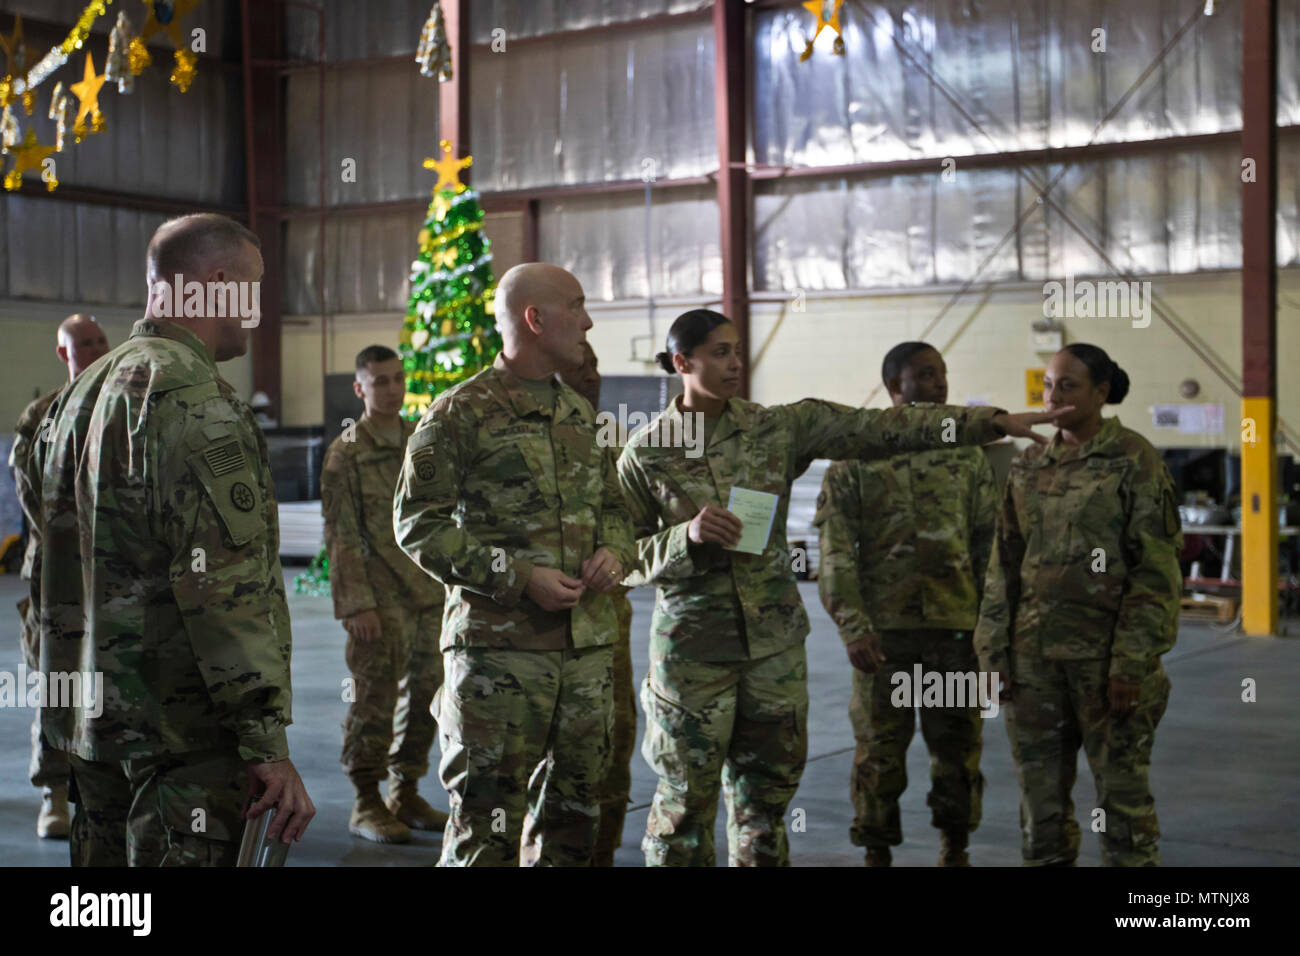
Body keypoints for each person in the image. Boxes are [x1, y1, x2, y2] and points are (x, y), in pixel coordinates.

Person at [617, 309, 1069, 867]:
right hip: (692, 655)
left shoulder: (776, 427)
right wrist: (684, 537)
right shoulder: (644, 453)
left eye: (737, 350)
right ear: (682, 363)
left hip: (773, 653)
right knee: (684, 806)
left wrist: (990, 422)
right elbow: (619, 559)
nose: (735, 362)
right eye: (719, 353)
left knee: (765, 806)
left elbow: (881, 429)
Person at [38, 213, 314, 866]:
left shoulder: (74, 398)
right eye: (255, 287)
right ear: (217, 284)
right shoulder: (199, 407)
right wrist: (265, 743)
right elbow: (227, 593)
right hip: (178, 742)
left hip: (89, 730)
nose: (260, 308)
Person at [394, 262, 634, 867]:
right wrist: (520, 577)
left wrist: (615, 550)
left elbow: (617, 510)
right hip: (498, 661)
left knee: (575, 829)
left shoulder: (583, 417)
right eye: (576, 306)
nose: (588, 321)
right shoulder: (458, 413)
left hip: (585, 658)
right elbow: (418, 525)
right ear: (535, 318)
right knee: (487, 834)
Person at [974, 343, 1182, 867]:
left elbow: (1155, 571)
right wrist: (993, 655)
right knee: (1040, 805)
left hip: (1106, 664)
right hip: (1033, 662)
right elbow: (1004, 564)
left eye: (1067, 385)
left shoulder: (1134, 460)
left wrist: (1131, 663)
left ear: (1101, 393)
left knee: (1122, 806)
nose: (1053, 396)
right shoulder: (1030, 463)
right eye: (1047, 385)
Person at [814, 342, 998, 867]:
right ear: (895, 386)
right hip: (884, 638)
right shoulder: (857, 458)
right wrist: (852, 626)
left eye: (941, 374)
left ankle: (955, 847)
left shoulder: (966, 454)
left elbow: (989, 545)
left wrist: (991, 630)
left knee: (959, 751)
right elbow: (835, 551)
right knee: (879, 755)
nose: (939, 385)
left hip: (956, 634)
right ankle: (876, 851)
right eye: (925, 375)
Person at [322, 345, 448, 844]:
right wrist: (356, 605)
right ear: (360, 388)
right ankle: (366, 800)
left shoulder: (421, 441)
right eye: (380, 382)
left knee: (426, 696)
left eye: (397, 379)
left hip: (427, 592)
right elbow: (341, 534)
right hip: (378, 599)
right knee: (373, 700)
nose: (392, 390)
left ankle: (406, 790)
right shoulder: (347, 451)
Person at [9, 314, 110, 838]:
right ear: (62, 353)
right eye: (81, 345)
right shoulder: (41, 416)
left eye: (99, 341)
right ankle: (55, 793)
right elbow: (35, 496)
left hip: (121, 579)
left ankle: (106, 794)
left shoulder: (130, 406)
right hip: (58, 576)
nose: (93, 351)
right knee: (59, 683)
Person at [549, 340, 638, 866]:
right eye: (578, 367)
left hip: (606, 629)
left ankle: (601, 856)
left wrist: (619, 552)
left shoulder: (614, 439)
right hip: (529, 632)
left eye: (596, 368)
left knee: (612, 749)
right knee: (536, 768)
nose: (591, 376)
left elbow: (632, 524)